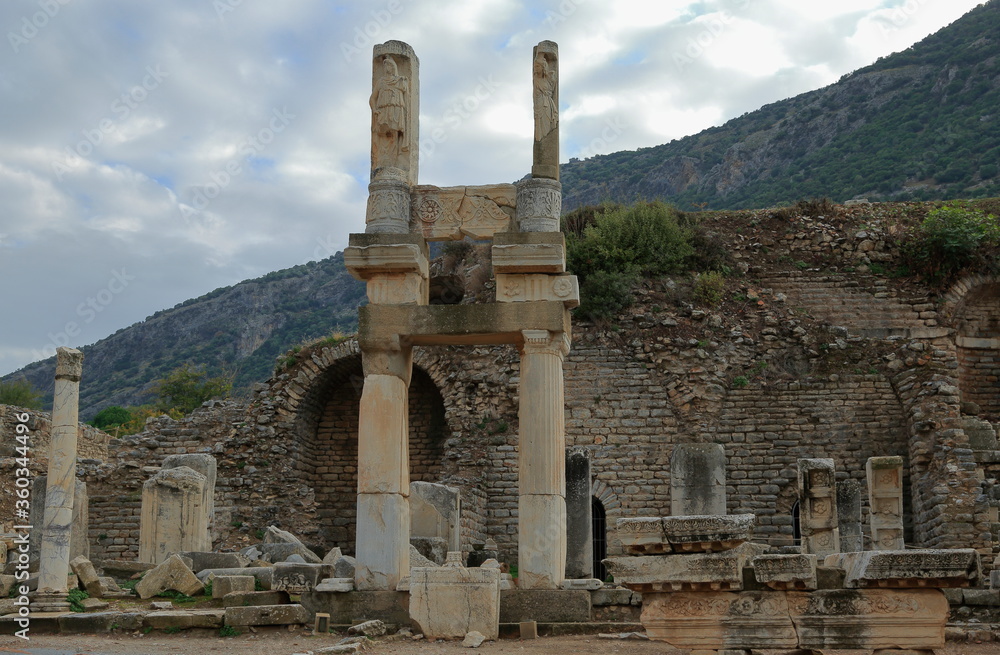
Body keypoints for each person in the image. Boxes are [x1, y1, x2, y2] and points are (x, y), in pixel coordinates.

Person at [370, 56, 409, 170]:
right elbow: (372, 98)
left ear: (393, 67)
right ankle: (382, 161)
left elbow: (406, 97)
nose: (387, 67)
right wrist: (374, 109)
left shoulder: (400, 80)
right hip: (383, 110)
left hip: (396, 109)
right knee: (383, 135)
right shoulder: (381, 81)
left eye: (389, 65)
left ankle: (393, 162)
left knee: (394, 135)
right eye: (385, 65)